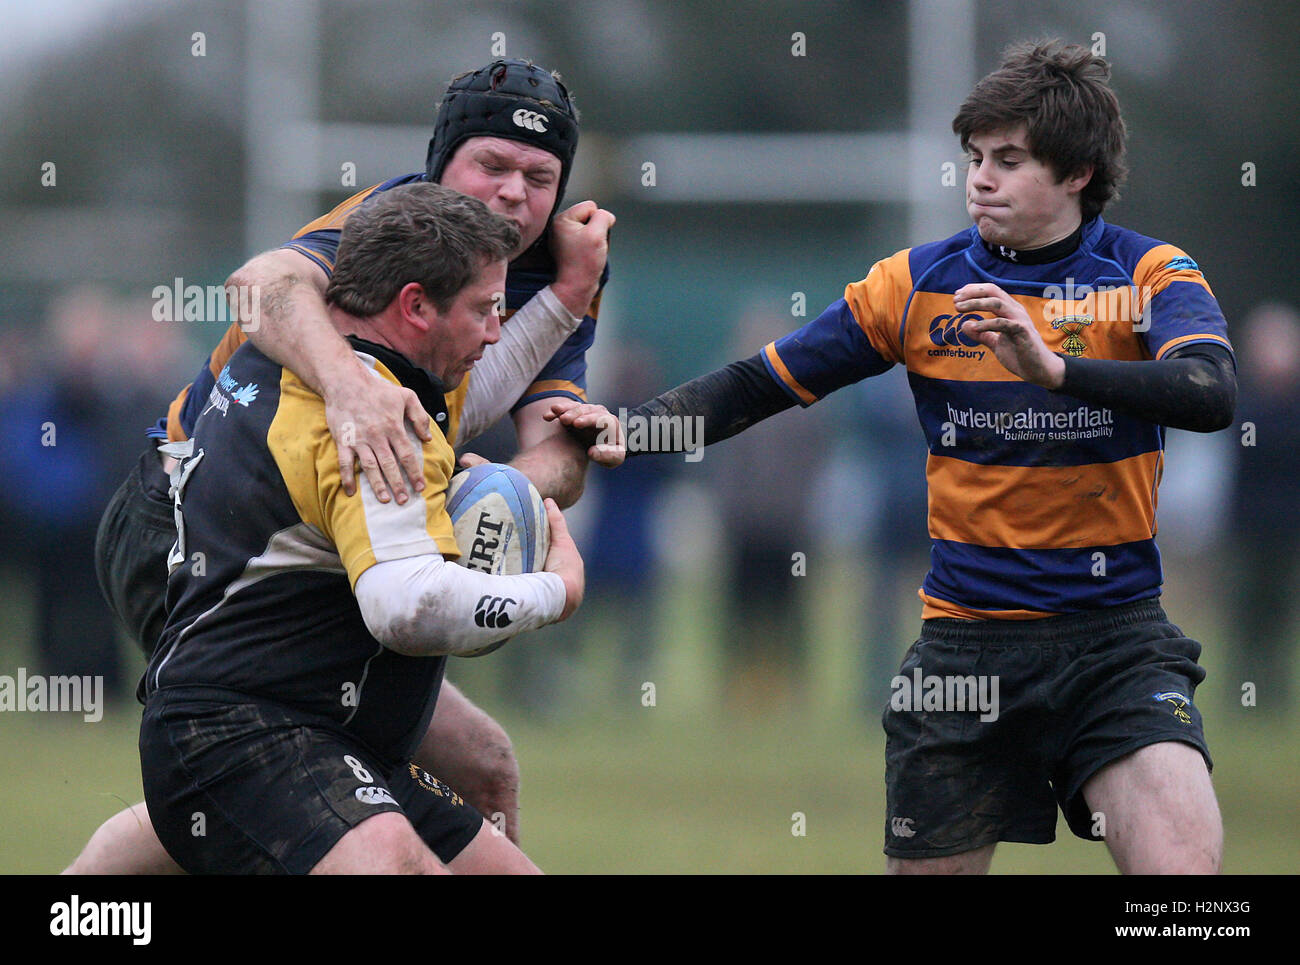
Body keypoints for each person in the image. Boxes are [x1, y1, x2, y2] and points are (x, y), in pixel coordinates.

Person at [556, 40, 1236, 874]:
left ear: (1078, 173)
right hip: (965, 655)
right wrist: (640, 425)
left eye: (1009, 159)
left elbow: (1209, 390)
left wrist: (1056, 370)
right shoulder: (914, 285)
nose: (980, 177)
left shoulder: (1148, 273)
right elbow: (764, 381)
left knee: (1188, 889)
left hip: (1116, 645)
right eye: (974, 157)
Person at [71, 59, 614, 873]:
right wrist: (350, 389)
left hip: (334, 537)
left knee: (480, 765)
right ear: (442, 163)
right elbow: (259, 287)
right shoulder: (394, 230)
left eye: (539, 176)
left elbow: (553, 453)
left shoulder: (546, 276)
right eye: (490, 165)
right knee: (264, 759)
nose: (512, 193)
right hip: (189, 516)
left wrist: (492, 477)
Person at [140, 181, 586, 874]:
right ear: (413, 305)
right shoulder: (376, 421)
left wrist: (567, 300)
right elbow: (409, 606)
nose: (495, 331)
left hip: (322, 734)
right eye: (484, 310)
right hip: (241, 737)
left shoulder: (280, 356)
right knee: (391, 861)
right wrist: (554, 591)